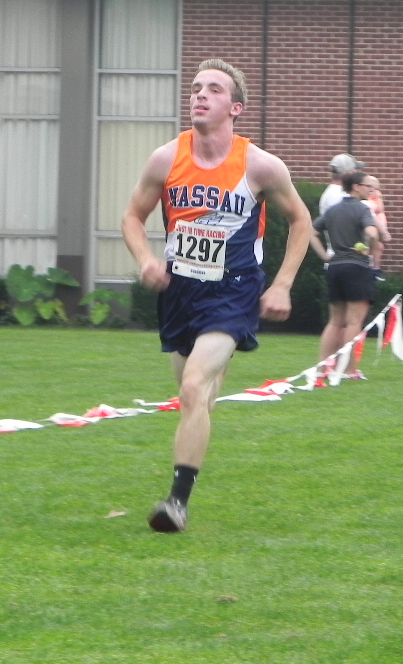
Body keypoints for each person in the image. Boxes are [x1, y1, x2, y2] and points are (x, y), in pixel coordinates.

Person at [121, 58, 312, 533]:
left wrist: (283, 283)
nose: (200, 96)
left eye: (213, 90)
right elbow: (132, 216)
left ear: (236, 108)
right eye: (195, 88)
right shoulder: (166, 159)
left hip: (235, 291)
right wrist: (146, 258)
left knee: (193, 387)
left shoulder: (260, 165)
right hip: (180, 291)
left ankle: (176, 503)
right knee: (196, 398)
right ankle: (201, 416)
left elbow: (301, 221)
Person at [310, 169, 379, 379]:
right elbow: (372, 233)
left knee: (334, 321)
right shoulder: (363, 209)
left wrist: (324, 256)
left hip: (335, 268)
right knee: (353, 322)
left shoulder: (332, 210)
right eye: (368, 186)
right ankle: (350, 370)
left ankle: (323, 368)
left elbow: (311, 232)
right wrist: (369, 247)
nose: (372, 190)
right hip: (357, 267)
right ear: (356, 187)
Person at [363, 174, 391, 280]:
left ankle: (375, 268)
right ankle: (374, 269)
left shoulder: (373, 201)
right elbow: (378, 209)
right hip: (371, 232)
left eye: (374, 188)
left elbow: (381, 210)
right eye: (369, 188)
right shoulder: (367, 203)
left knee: (378, 247)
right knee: (375, 248)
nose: (372, 190)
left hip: (376, 233)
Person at [318, 153, 361, 217]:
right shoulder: (338, 195)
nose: (357, 173)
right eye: (355, 170)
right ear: (349, 172)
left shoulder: (336, 192)